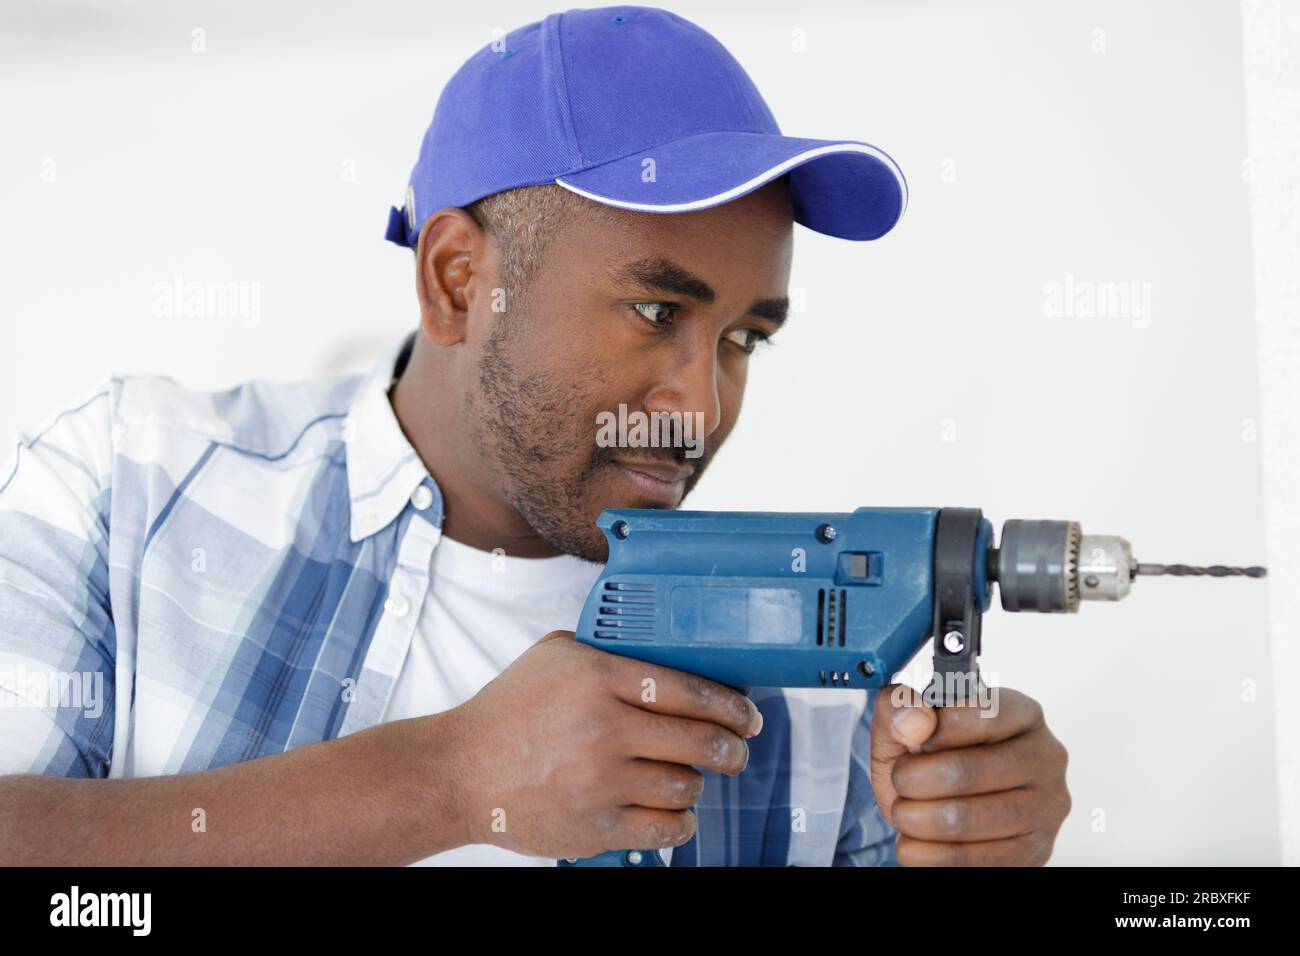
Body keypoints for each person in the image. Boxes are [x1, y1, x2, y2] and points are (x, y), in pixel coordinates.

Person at [0, 6, 1069, 866]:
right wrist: (449, 780)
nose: (700, 408)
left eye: (745, 336)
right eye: (657, 313)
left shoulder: (801, 708)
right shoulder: (129, 485)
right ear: (458, 280)